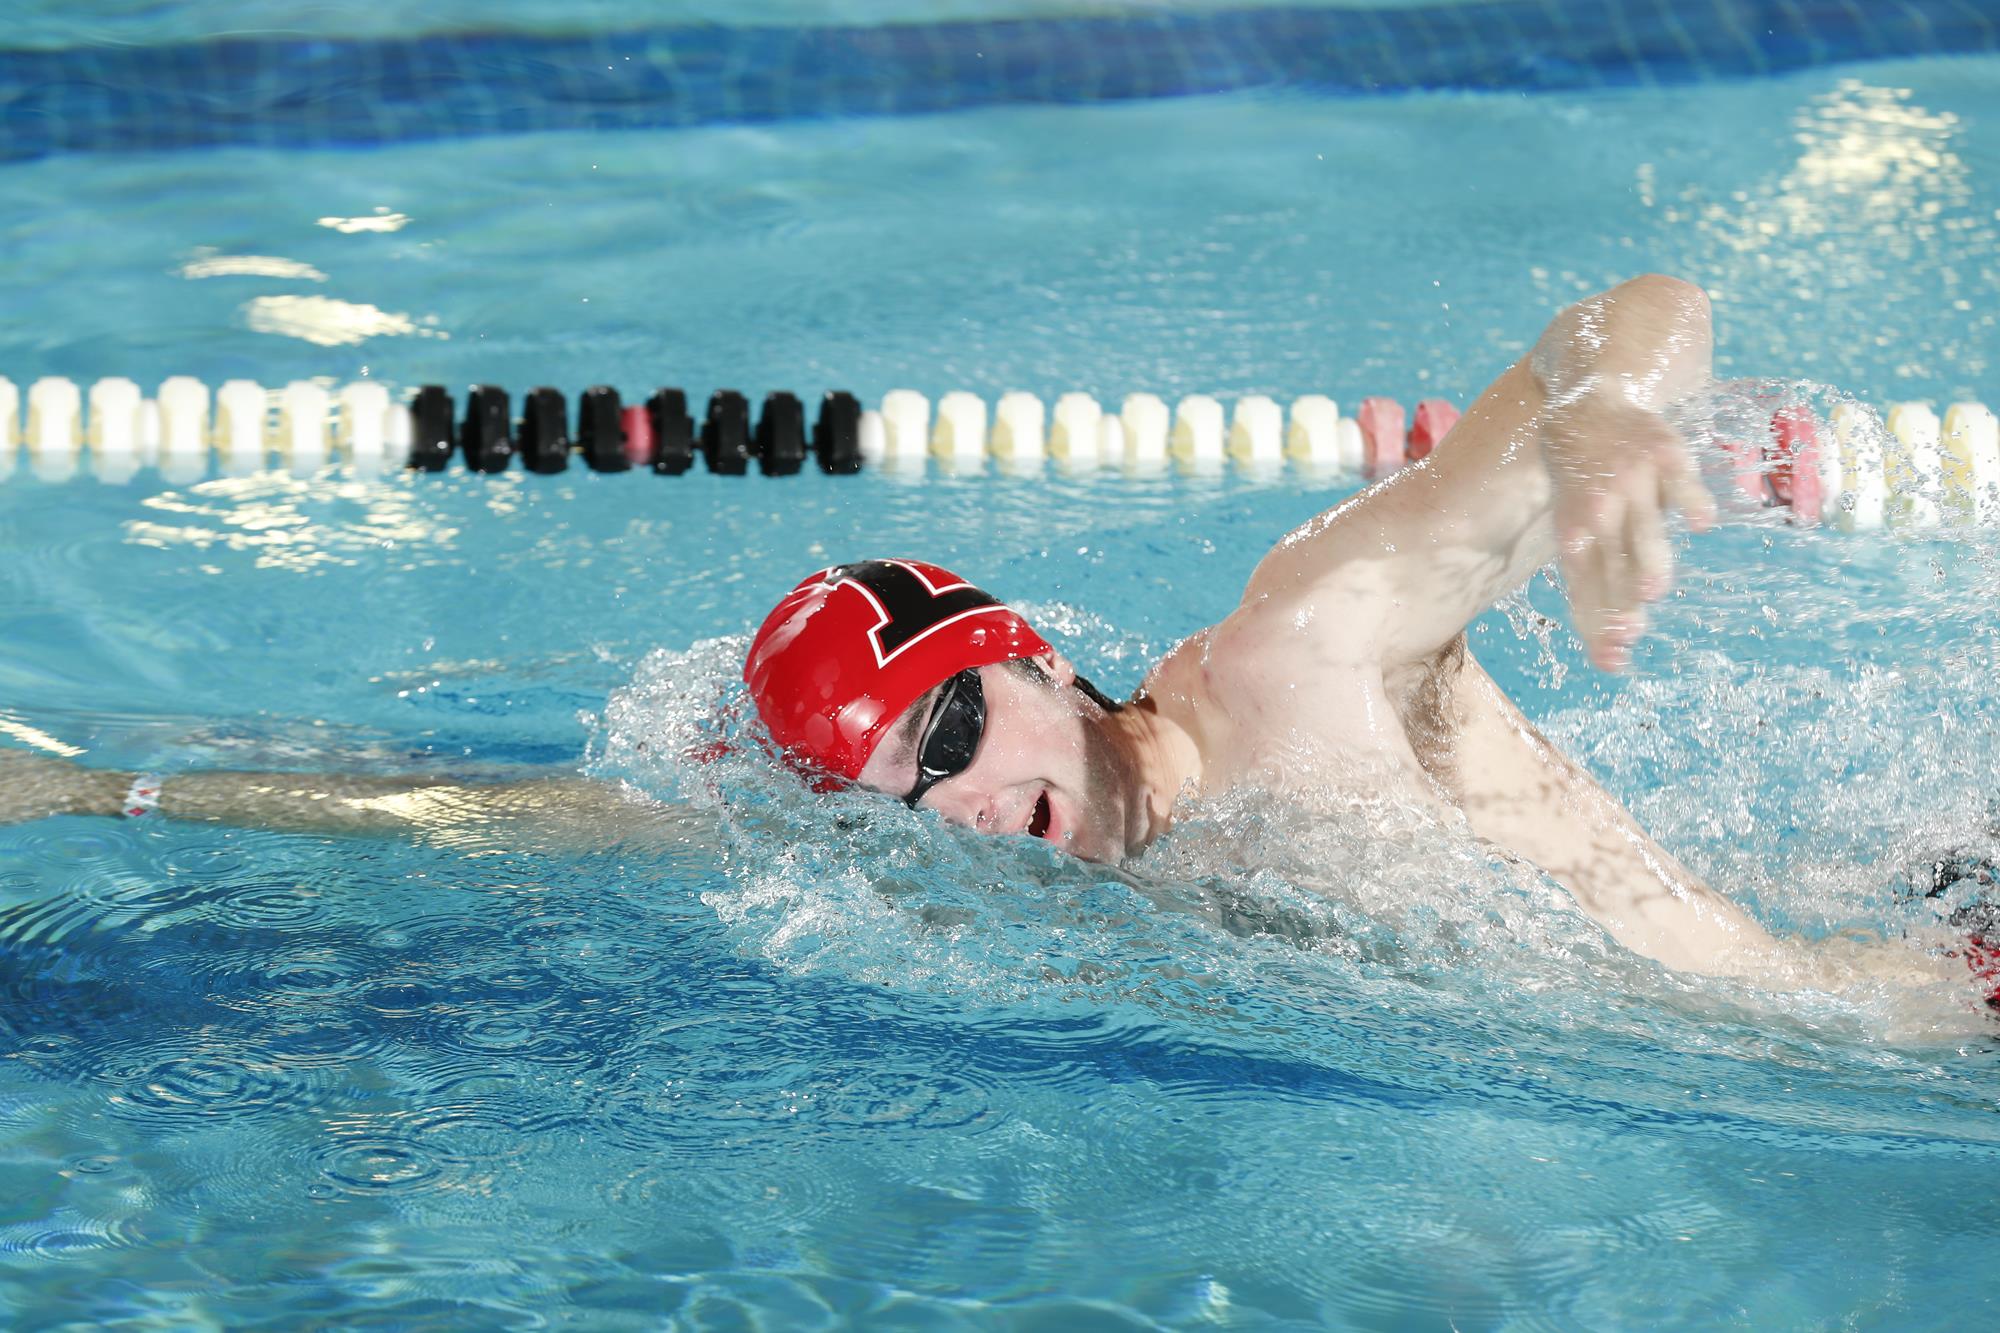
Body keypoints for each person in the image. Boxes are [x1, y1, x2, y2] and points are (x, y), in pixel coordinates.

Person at [0, 275, 1988, 1005]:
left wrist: (1609, 421)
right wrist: (101, 788)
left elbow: (1624, 313)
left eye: (952, 725)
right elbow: (537, 822)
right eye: (899, 786)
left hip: (1933, 994)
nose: (963, 802)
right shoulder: (998, 862)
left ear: (1031, 654)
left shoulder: (1306, 644)